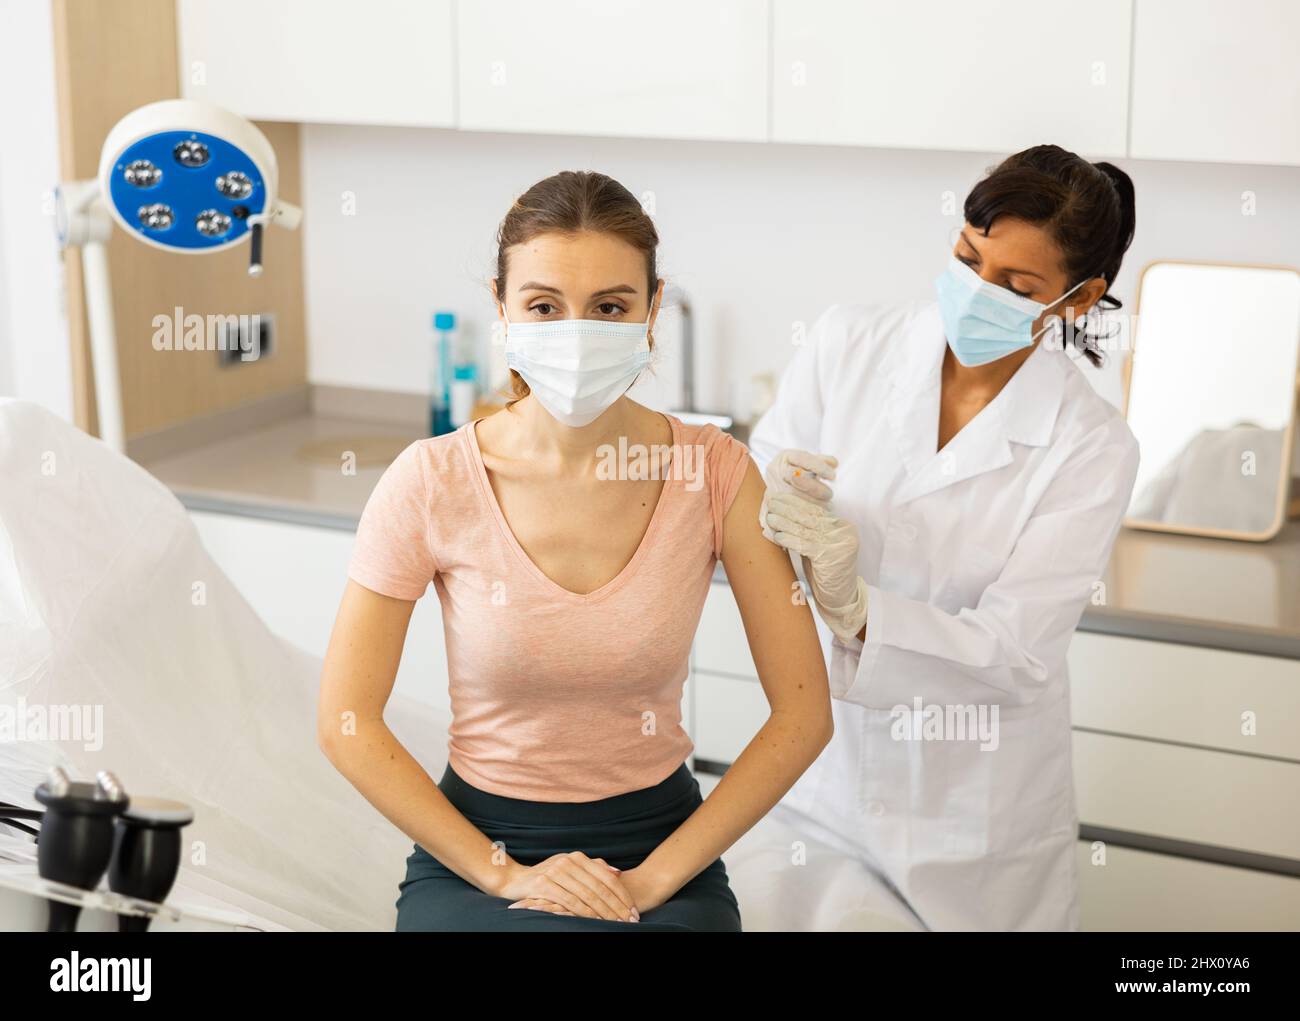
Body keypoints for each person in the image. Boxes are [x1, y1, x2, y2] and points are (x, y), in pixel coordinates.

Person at [318, 170, 832, 931]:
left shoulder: (714, 471)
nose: (575, 331)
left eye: (610, 307)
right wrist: (505, 875)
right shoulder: (431, 480)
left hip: (659, 842)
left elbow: (803, 714)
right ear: (502, 309)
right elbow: (346, 721)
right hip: (481, 849)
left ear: (652, 312)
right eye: (544, 306)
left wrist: (654, 882)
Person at [750, 145, 1142, 930]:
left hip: (972, 824)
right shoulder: (848, 344)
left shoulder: (1090, 445)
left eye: (1014, 285)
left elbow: (1017, 648)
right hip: (824, 773)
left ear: (1078, 297)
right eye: (968, 256)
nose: (975, 290)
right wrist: (771, 493)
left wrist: (860, 611)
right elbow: (758, 486)